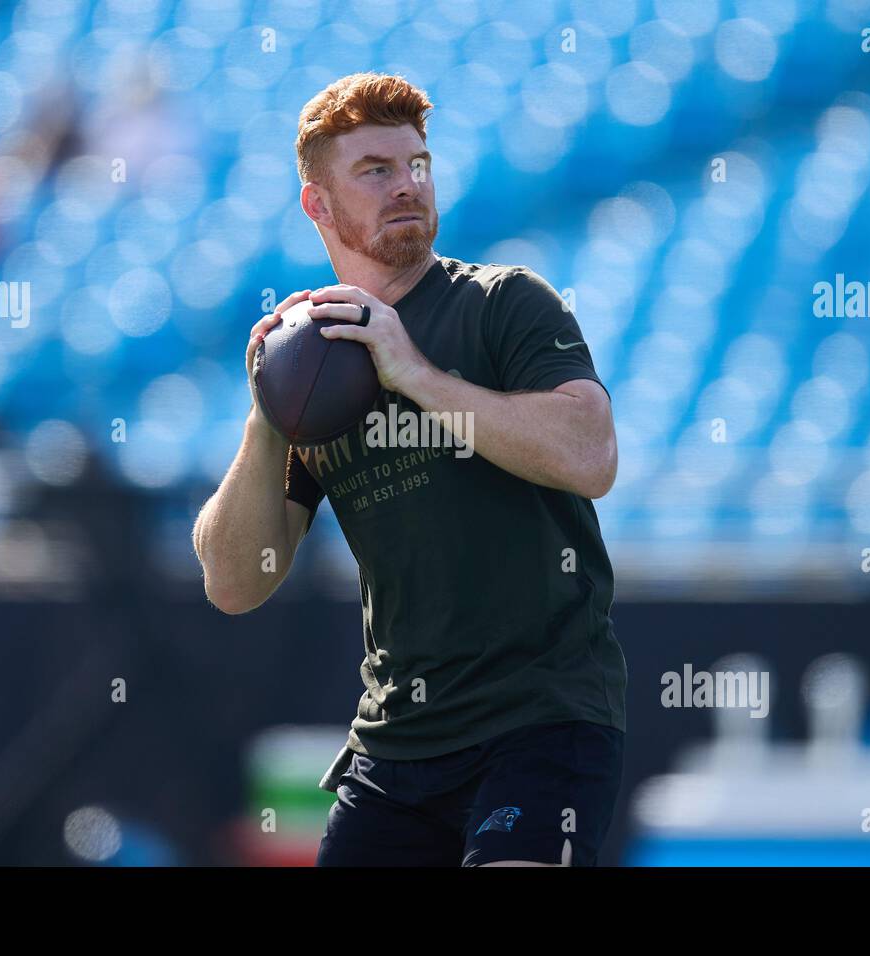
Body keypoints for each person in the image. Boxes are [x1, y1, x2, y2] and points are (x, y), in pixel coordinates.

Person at [193, 73, 627, 866]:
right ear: (317, 205)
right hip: (397, 747)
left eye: (418, 165)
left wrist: (415, 374)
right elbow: (235, 581)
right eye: (376, 171)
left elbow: (590, 455)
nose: (407, 186)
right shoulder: (315, 364)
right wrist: (266, 418)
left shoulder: (503, 304)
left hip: (541, 720)